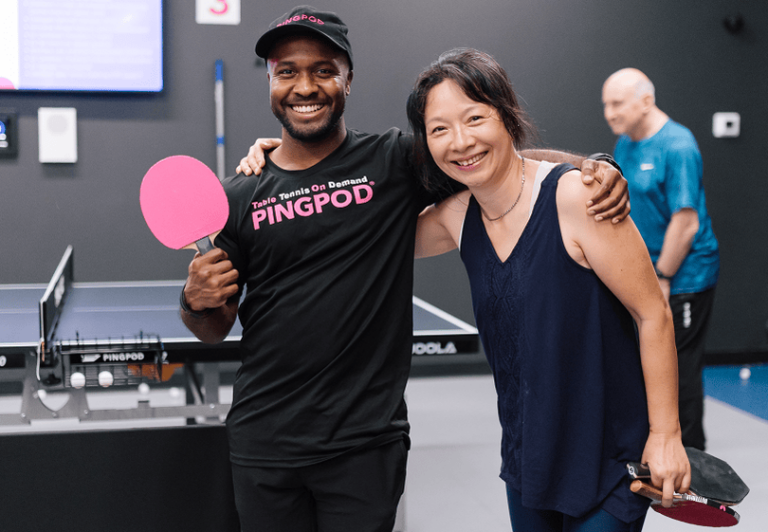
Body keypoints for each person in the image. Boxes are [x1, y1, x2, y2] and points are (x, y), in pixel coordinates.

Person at [182, 7, 630, 532]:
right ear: (270, 82)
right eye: (287, 72)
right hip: (264, 442)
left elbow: (502, 165)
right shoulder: (239, 195)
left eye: (324, 70)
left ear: (348, 79)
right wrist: (195, 300)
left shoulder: (393, 161)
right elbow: (212, 329)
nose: (305, 86)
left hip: (365, 444)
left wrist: (588, 168)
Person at [406, 48, 690, 531]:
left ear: (506, 115)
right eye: (439, 129)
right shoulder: (456, 217)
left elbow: (652, 314)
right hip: (528, 456)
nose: (461, 141)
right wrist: (282, 164)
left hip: (608, 460)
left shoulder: (579, 196)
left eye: (475, 118)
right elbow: (366, 229)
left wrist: (666, 434)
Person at [602, 68, 720, 451]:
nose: (609, 113)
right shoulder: (626, 142)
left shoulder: (678, 146)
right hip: (647, 272)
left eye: (617, 104)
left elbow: (686, 223)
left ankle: (691, 457)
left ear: (646, 101)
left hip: (684, 275)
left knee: (679, 368)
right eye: (606, 104)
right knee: (648, 363)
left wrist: (664, 277)